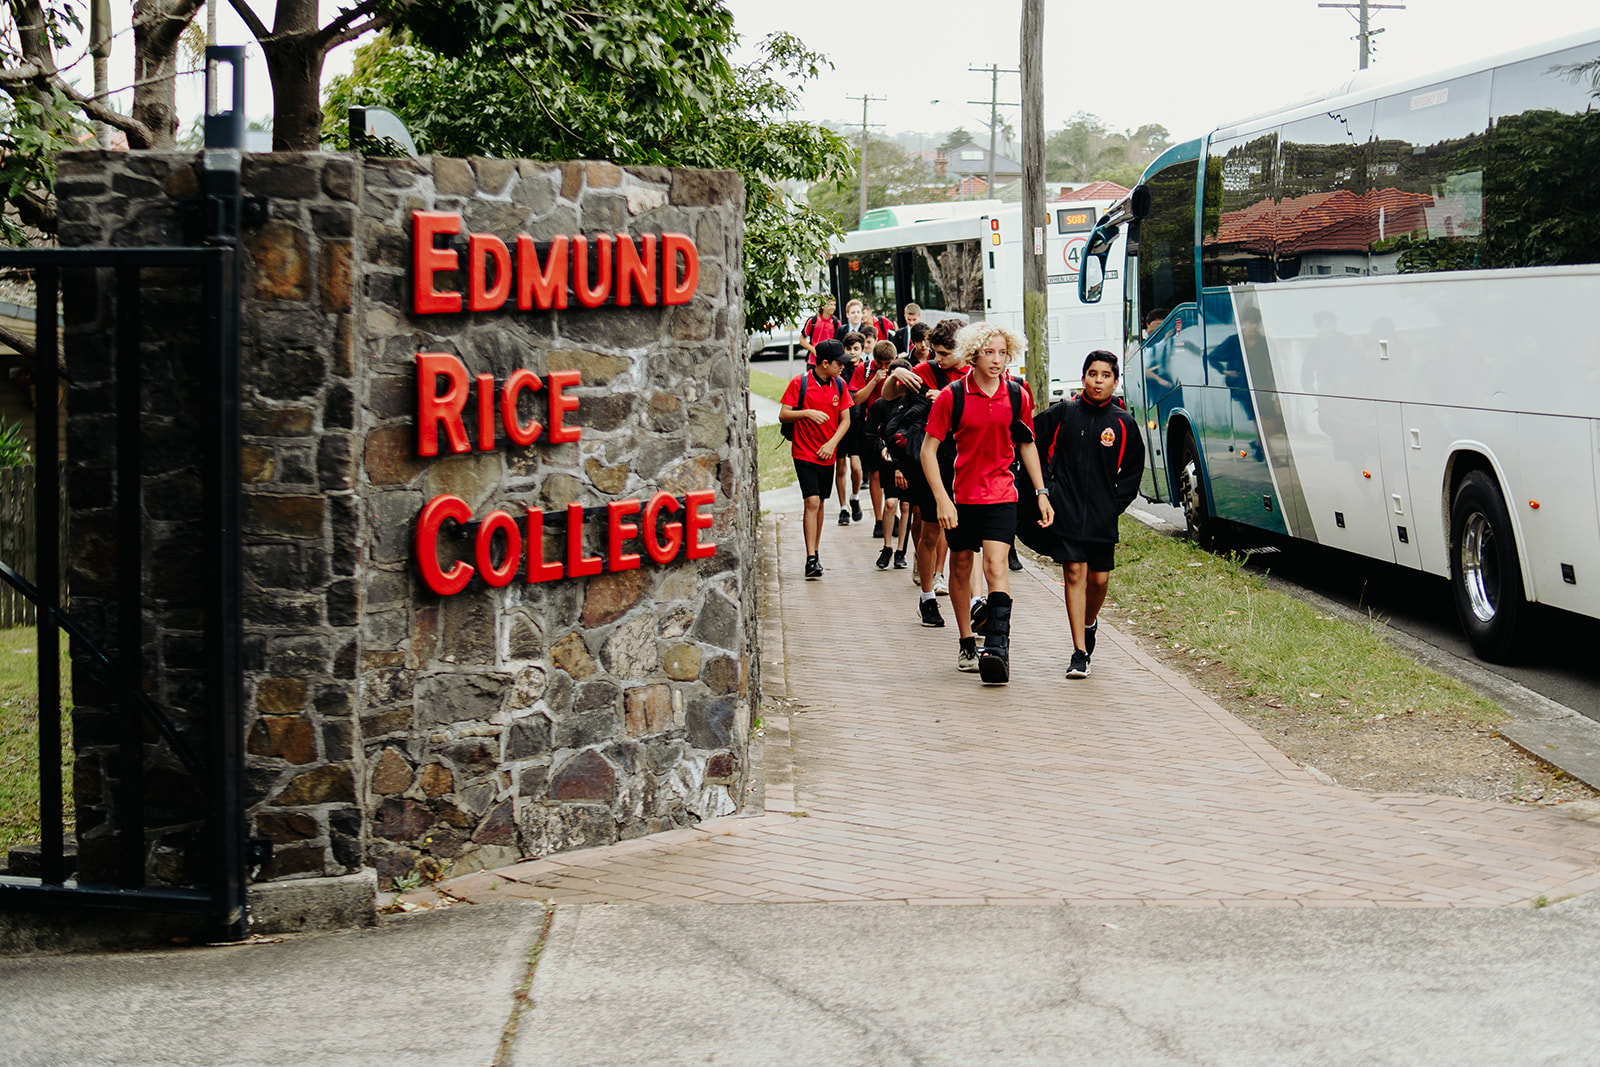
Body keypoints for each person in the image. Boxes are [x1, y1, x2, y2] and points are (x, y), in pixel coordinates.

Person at [921, 322, 1052, 684]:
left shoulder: (1017, 395)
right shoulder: (952, 396)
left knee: (996, 565)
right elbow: (928, 451)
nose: (997, 360)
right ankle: (966, 641)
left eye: (1003, 353)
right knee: (961, 567)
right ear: (974, 354)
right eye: (989, 352)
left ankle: (996, 647)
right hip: (962, 497)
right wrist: (942, 499)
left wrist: (1041, 492)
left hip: (1002, 495)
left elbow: (1027, 443)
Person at [1034, 350, 1145, 678]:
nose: (1098, 381)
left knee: (1099, 580)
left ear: (1115, 381)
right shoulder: (1063, 413)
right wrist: (1047, 491)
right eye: (1093, 374)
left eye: (1105, 376)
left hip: (1101, 516)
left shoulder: (1123, 423)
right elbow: (1030, 443)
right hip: (1066, 511)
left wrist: (1115, 505)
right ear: (1083, 378)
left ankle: (1089, 622)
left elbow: (1133, 470)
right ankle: (1079, 652)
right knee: (1074, 574)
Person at [882, 318, 969, 625]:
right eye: (935, 352)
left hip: (967, 463)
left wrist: (945, 399)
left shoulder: (975, 373)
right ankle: (927, 595)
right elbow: (888, 395)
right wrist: (897, 373)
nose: (938, 359)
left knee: (967, 538)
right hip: (934, 461)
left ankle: (973, 600)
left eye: (944, 353)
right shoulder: (928, 370)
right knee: (930, 530)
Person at [779, 339, 853, 579]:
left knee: (820, 502)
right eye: (839, 363)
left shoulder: (840, 385)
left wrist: (832, 444)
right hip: (804, 452)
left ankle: (816, 551)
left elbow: (846, 420)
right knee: (811, 501)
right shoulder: (799, 383)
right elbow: (784, 414)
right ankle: (810, 557)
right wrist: (807, 413)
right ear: (824, 363)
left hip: (827, 453)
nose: (842, 367)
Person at [850, 339, 897, 544]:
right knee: (874, 474)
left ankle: (892, 513)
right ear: (874, 360)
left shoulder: (898, 369)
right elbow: (856, 399)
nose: (885, 367)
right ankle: (879, 519)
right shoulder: (864, 369)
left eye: (888, 363)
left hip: (893, 425)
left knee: (893, 472)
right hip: (870, 426)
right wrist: (874, 380)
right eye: (881, 363)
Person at [834, 332, 867, 525]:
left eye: (856, 349)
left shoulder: (865, 369)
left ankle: (855, 497)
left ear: (862, 350)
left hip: (858, 423)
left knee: (856, 466)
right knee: (840, 466)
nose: (853, 352)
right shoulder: (840, 369)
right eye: (849, 349)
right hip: (839, 422)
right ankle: (843, 507)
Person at [800, 296, 842, 365]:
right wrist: (813, 349)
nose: (833, 307)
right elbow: (802, 340)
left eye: (834, 305)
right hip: (813, 361)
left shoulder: (836, 323)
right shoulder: (812, 321)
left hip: (829, 362)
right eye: (830, 304)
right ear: (822, 306)